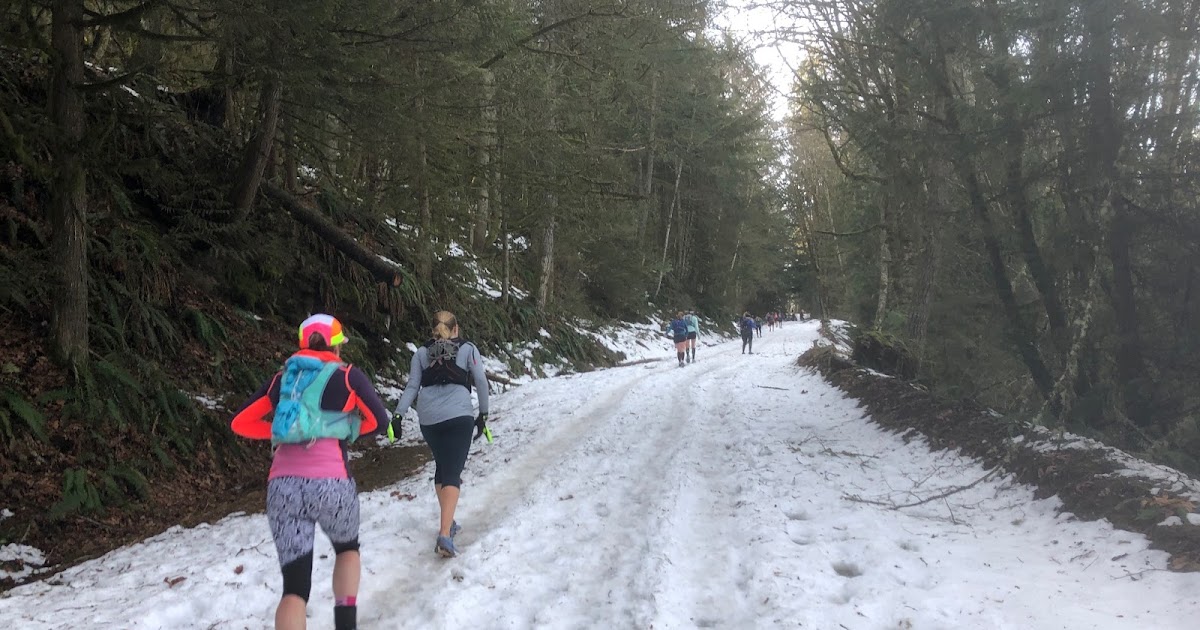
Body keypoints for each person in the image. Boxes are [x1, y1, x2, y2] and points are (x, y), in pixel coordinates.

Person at [231, 314, 388, 630]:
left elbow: (241, 423)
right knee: (346, 549)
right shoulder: (348, 376)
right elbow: (379, 422)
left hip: (283, 488)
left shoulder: (282, 380)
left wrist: (282, 431)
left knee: (294, 589)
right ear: (337, 347)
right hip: (332, 483)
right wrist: (346, 429)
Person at [391, 311, 490, 558]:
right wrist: (484, 414)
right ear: (456, 329)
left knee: (443, 468)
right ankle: (445, 534)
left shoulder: (422, 353)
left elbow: (412, 386)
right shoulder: (468, 348)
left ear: (433, 329)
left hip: (429, 420)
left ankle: (449, 521)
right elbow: (480, 381)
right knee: (453, 472)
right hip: (458, 417)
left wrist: (398, 416)